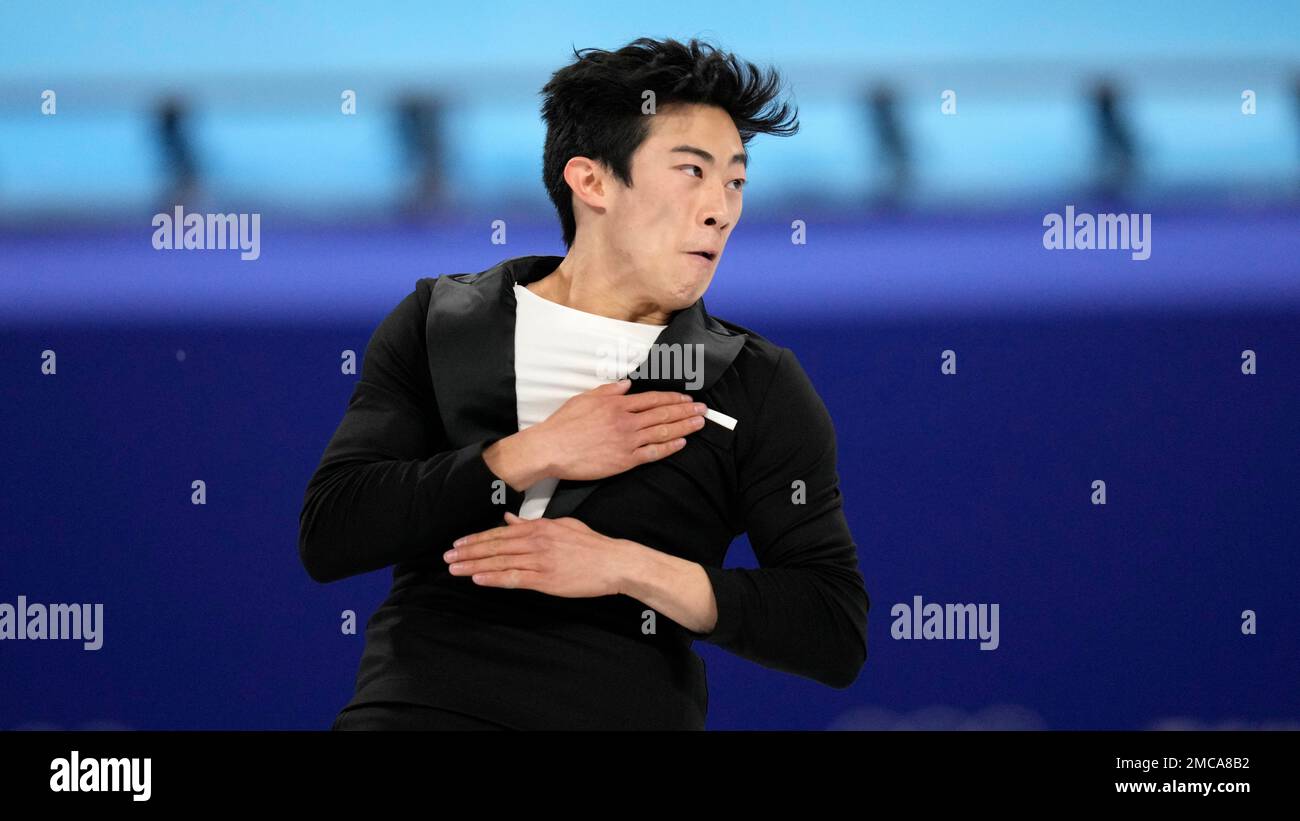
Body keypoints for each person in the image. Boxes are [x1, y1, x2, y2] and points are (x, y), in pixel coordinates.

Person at [300, 36, 870, 731]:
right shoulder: (442, 320)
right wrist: (530, 452)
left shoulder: (755, 381)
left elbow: (833, 626)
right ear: (592, 181)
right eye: (692, 171)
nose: (721, 208)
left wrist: (624, 566)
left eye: (735, 181)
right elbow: (332, 532)